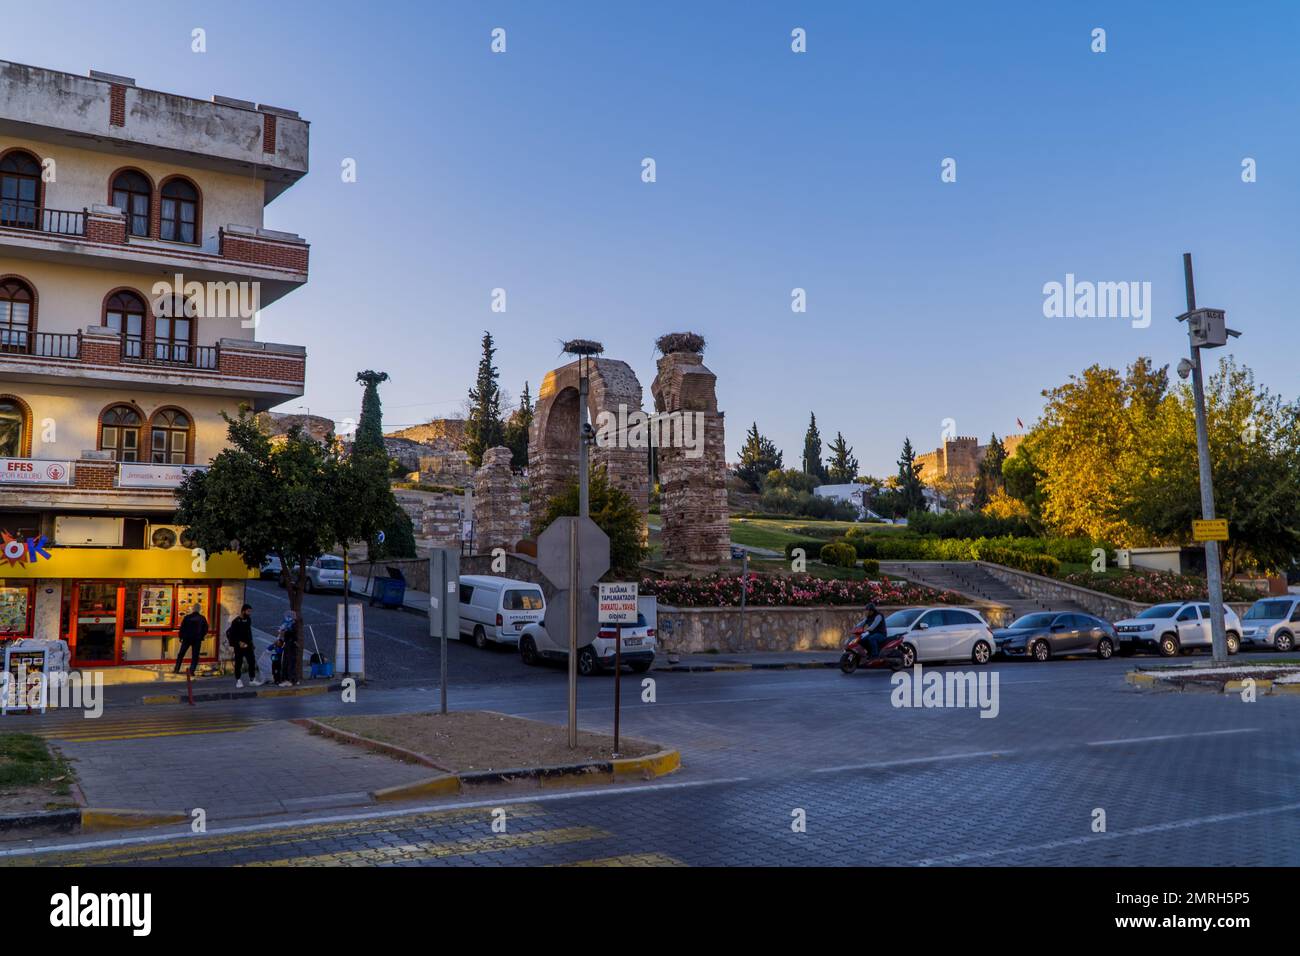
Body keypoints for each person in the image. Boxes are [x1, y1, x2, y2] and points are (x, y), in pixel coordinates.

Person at [226, 604, 263, 688]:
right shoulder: (236, 621)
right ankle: (238, 680)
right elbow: (232, 635)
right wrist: (239, 643)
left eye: (250, 611)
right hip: (239, 646)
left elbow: (249, 632)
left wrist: (252, 643)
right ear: (243, 611)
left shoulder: (248, 620)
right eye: (248, 611)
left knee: (252, 661)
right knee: (238, 663)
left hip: (248, 645)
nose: (249, 613)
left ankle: (252, 679)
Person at [173, 604, 208, 677]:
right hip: (197, 639)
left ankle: (177, 669)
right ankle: (192, 671)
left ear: (193, 609)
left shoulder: (187, 617)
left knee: (181, 654)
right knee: (195, 655)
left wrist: (181, 637)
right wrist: (201, 636)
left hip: (187, 638)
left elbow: (182, 628)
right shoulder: (202, 618)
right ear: (199, 609)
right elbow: (205, 629)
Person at [277, 610, 301, 687]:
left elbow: (291, 634)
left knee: (288, 662)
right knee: (290, 662)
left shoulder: (292, 625)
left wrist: (283, 631)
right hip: (290, 645)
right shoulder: (291, 625)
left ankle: (289, 680)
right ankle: (293, 679)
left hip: (290, 645)